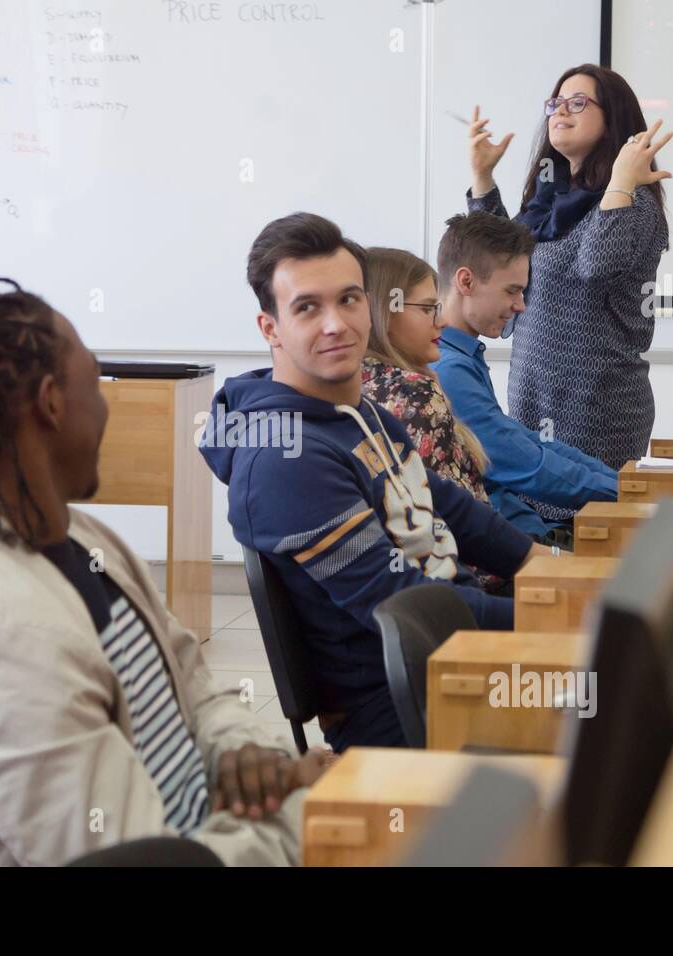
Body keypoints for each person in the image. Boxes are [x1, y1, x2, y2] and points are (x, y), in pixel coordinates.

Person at [0, 279, 326, 866]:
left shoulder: (73, 538)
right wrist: (311, 811)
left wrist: (240, 754)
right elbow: (139, 859)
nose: (105, 407)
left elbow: (190, 680)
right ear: (51, 402)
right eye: (94, 382)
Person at [201, 213, 542, 753]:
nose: (336, 323)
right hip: (408, 704)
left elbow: (450, 507)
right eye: (307, 308)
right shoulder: (286, 463)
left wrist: (544, 567)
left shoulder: (355, 411)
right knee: (634, 712)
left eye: (349, 300)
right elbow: (407, 609)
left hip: (453, 663)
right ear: (271, 329)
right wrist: (560, 615)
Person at [466, 64, 672, 514]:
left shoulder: (633, 201)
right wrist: (483, 179)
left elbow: (594, 265)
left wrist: (620, 181)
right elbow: (502, 263)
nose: (561, 111)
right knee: (534, 532)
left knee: (587, 540)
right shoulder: (550, 198)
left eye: (578, 102)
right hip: (532, 397)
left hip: (596, 409)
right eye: (556, 103)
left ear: (612, 118)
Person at [360, 244, 560, 554]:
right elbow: (464, 523)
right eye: (427, 309)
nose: (439, 322)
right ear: (384, 313)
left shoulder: (367, 384)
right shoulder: (416, 392)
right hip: (484, 574)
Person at [433, 212, 618, 523]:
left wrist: (623, 482)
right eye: (512, 290)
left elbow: (526, 440)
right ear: (465, 281)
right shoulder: (449, 370)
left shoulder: (462, 357)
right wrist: (622, 491)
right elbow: (527, 464)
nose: (520, 305)